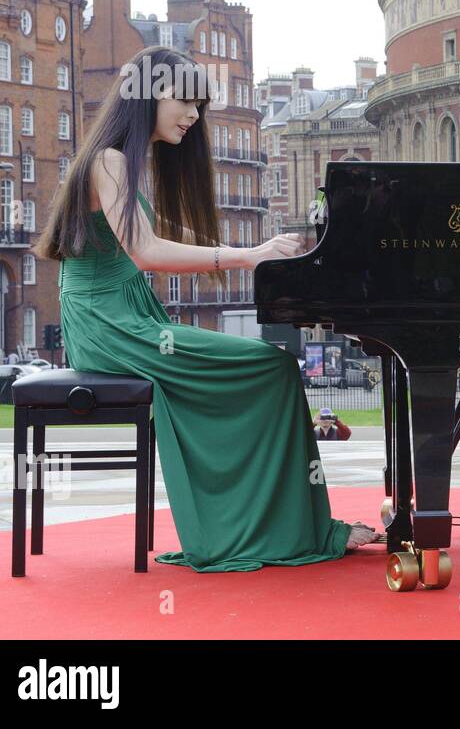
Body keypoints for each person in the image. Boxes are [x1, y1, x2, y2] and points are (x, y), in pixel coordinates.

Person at [36, 46, 376, 572]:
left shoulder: (121, 160)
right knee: (273, 366)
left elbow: (159, 238)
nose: (195, 116)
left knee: (269, 369)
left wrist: (260, 247)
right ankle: (279, 530)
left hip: (124, 318)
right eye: (186, 102)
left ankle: (278, 524)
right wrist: (247, 255)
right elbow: (145, 251)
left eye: (200, 105)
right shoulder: (109, 160)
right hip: (107, 325)